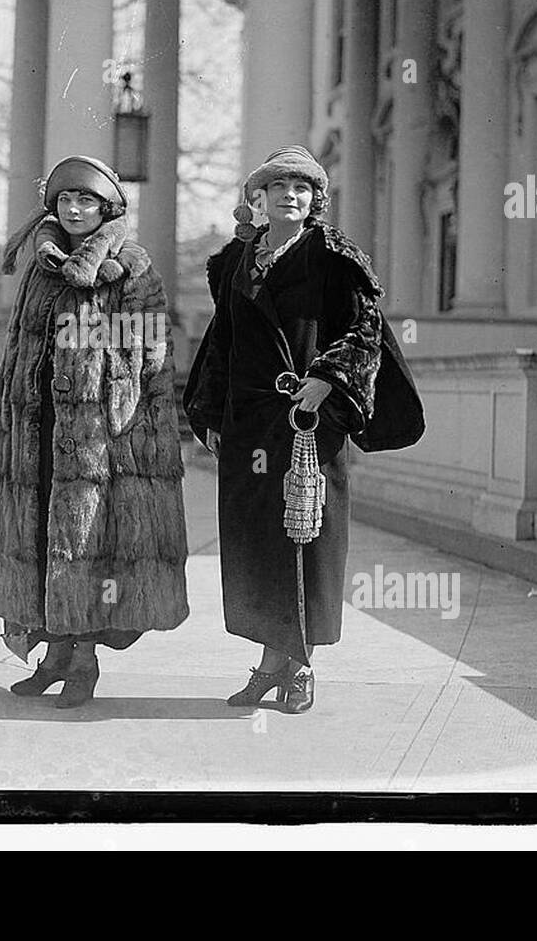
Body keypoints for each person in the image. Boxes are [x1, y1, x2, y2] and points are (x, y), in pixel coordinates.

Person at [183, 145, 424, 714]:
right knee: (256, 544)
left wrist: (327, 380)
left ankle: (301, 669)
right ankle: (269, 663)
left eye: (303, 188)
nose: (290, 196)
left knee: (309, 540)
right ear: (257, 200)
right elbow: (223, 342)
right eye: (277, 188)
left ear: (315, 199)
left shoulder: (334, 256)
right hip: (248, 429)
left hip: (310, 423)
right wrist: (211, 412)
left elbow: (365, 333)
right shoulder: (232, 264)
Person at [0, 155, 189, 707]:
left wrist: (123, 417)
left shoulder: (134, 268)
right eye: (66, 200)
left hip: (102, 438)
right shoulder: (39, 269)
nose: (75, 210)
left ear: (107, 208)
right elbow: (19, 352)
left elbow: (152, 359)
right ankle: (52, 655)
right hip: (39, 430)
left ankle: (84, 662)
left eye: (86, 201)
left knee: (90, 547)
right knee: (42, 539)